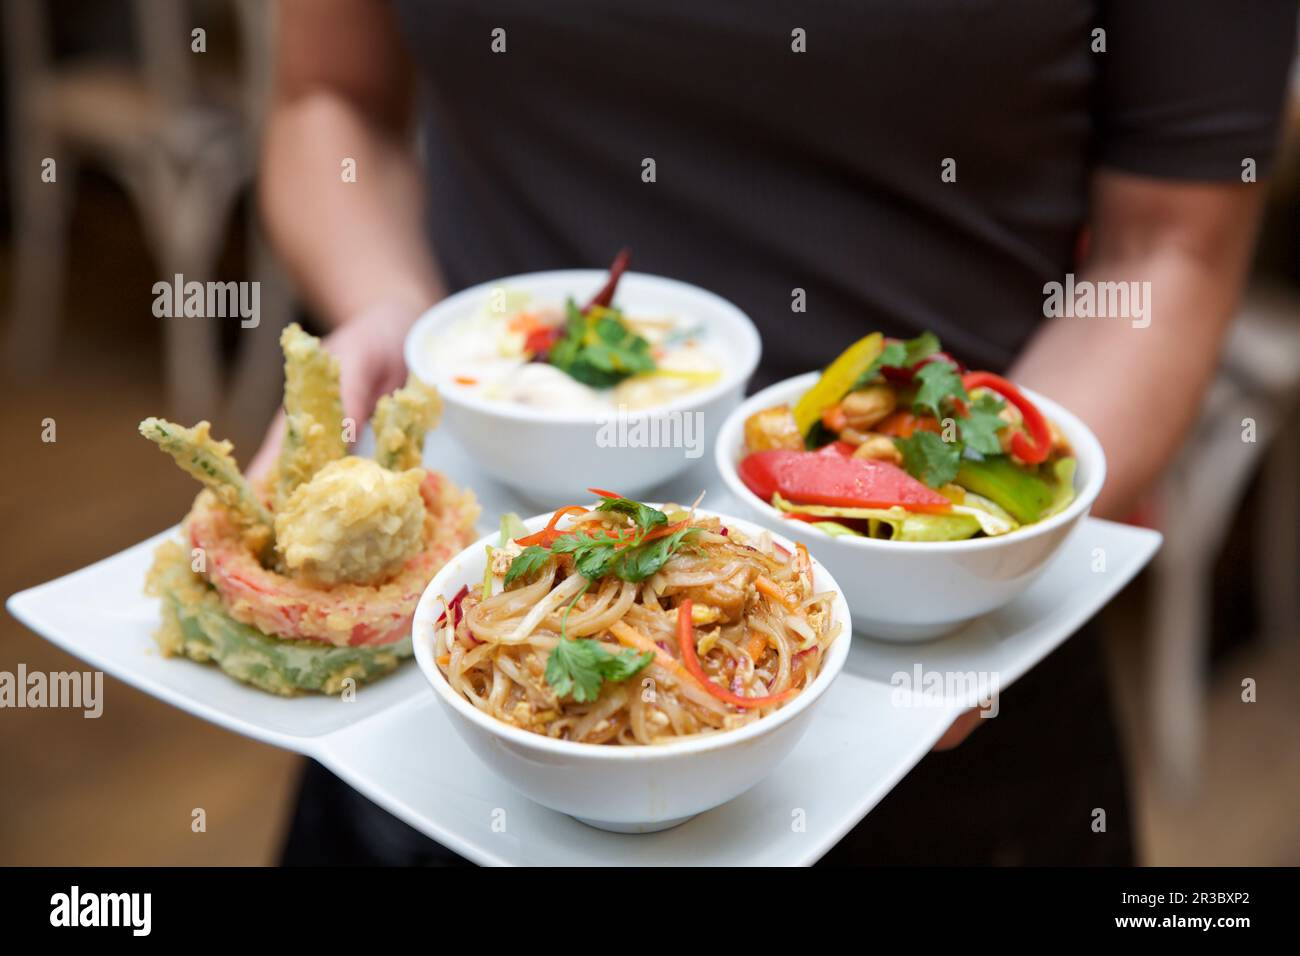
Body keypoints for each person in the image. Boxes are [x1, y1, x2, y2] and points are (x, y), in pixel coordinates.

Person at [251, 0, 1298, 865]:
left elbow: (1169, 248)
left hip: (937, 692)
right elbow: (325, 96)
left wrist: (961, 559)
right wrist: (395, 314)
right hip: (455, 682)